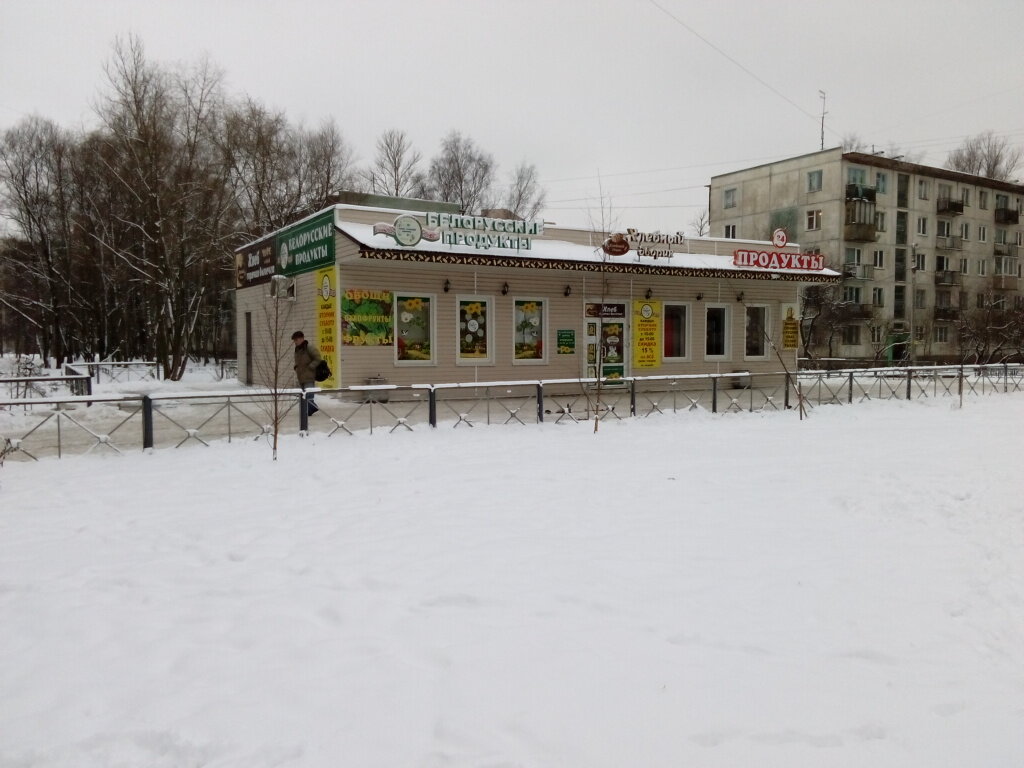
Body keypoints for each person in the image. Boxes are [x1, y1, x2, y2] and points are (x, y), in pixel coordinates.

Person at [291, 330, 322, 415]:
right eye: (294, 340)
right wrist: (296, 366)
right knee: (304, 395)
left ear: (301, 339)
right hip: (301, 376)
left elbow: (318, 358)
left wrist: (311, 367)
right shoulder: (297, 349)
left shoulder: (309, 347)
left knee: (309, 395)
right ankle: (309, 410)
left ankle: (309, 410)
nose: (295, 342)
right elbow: (298, 361)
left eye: (296, 340)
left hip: (309, 375)